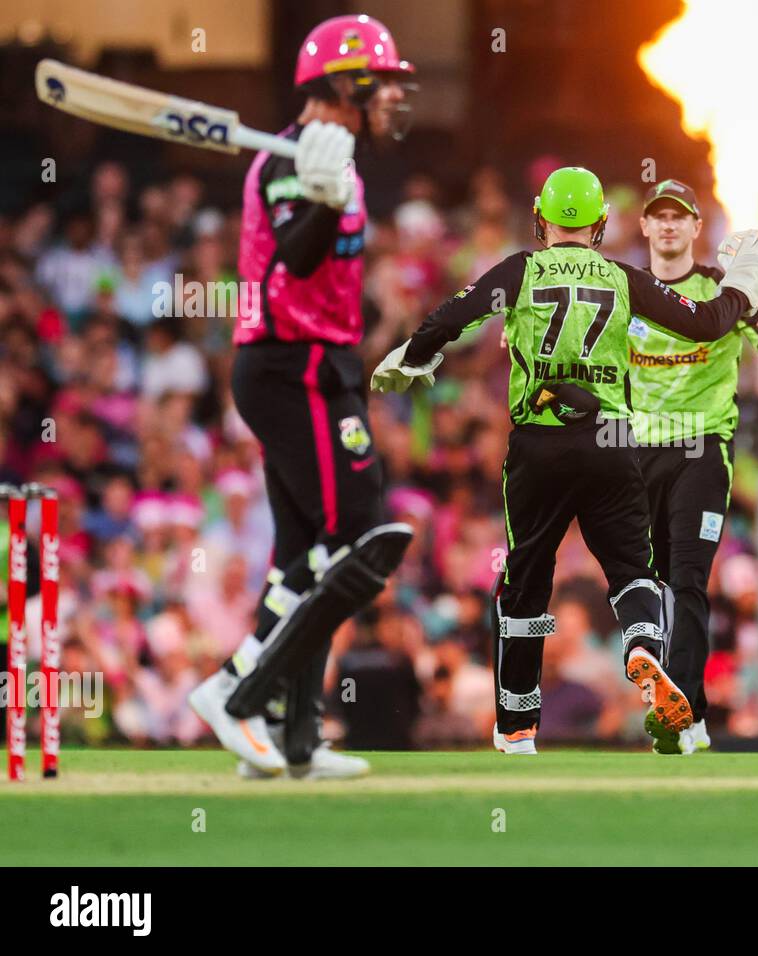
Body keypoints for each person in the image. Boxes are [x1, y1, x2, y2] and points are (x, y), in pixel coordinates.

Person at [373, 166, 758, 753]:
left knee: (526, 582)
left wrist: (414, 357)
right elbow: (703, 325)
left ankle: (518, 724)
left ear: (541, 219)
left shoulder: (521, 269)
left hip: (539, 447)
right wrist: (745, 281)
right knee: (632, 570)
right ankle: (645, 643)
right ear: (599, 225)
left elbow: (450, 317)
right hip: (611, 443)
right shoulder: (622, 278)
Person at [188, 15, 417, 779]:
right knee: (356, 536)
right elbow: (294, 256)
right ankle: (236, 690)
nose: (391, 96)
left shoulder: (334, 160)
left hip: (320, 363)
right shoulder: (296, 162)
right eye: (381, 80)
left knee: (304, 556)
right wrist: (321, 197)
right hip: (294, 367)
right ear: (343, 82)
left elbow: (330, 270)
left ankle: (292, 742)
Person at [631, 179, 758, 754]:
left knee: (688, 582)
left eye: (681, 217)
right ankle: (690, 714)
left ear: (697, 228)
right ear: (646, 227)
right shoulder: (628, 290)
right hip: (636, 452)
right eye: (660, 216)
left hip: (702, 448)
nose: (670, 225)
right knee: (647, 587)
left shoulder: (725, 289)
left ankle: (679, 714)